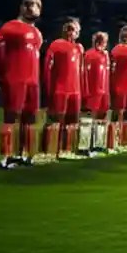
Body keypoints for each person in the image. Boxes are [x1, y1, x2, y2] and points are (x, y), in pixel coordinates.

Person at [0, 0, 44, 168]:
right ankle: (6, 157)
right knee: (11, 117)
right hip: (15, 79)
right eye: (30, 5)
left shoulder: (37, 33)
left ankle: (25, 154)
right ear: (22, 7)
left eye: (37, 5)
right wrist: (4, 74)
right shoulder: (10, 27)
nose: (34, 8)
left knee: (30, 119)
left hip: (33, 81)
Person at [42, 17, 83, 161]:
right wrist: (49, 88)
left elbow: (81, 71)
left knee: (72, 123)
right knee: (55, 121)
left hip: (75, 91)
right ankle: (49, 150)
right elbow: (47, 68)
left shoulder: (79, 48)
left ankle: (67, 149)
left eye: (75, 29)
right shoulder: (56, 45)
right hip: (60, 90)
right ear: (64, 30)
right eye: (69, 28)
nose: (72, 32)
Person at [82, 31, 111, 156]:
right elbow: (85, 73)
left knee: (101, 118)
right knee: (89, 118)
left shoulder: (105, 55)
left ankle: (98, 144)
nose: (104, 44)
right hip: (93, 91)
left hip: (103, 91)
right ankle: (85, 146)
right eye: (103, 41)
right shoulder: (89, 54)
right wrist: (86, 91)